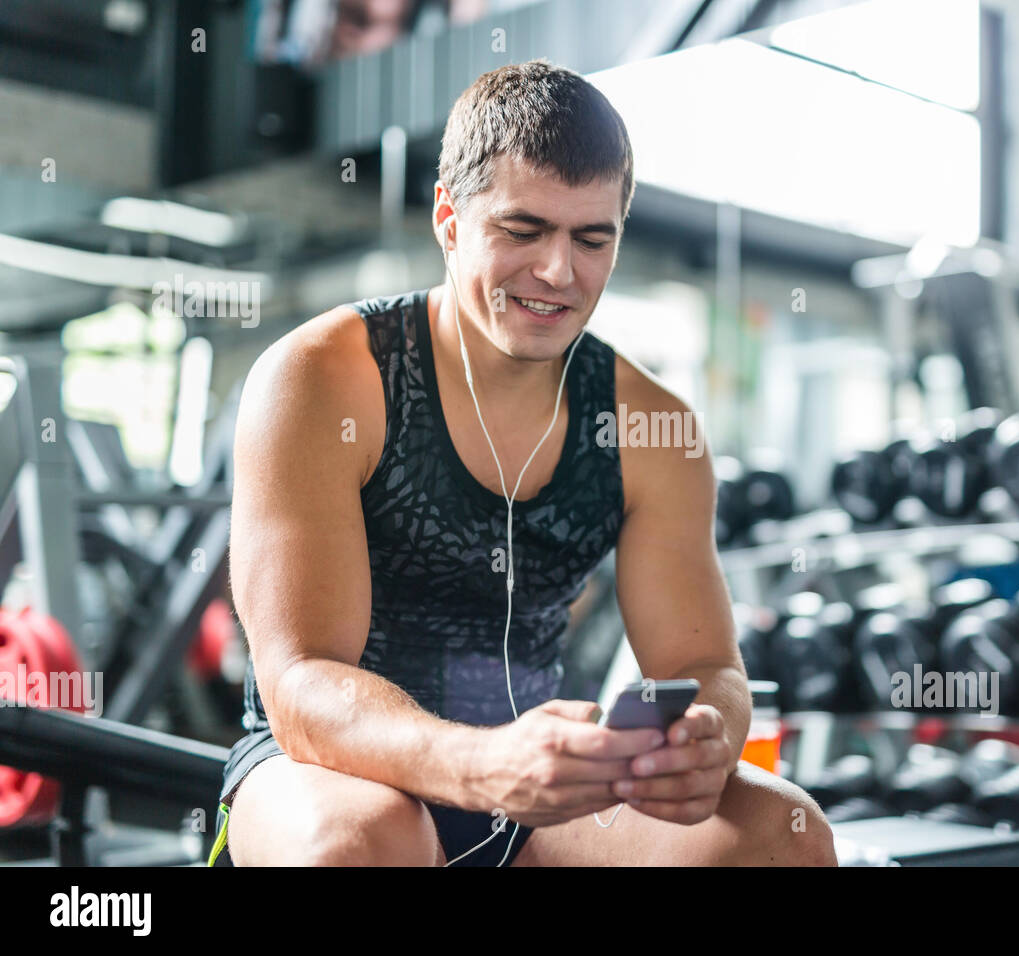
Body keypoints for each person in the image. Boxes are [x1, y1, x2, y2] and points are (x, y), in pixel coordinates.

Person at [211, 58, 837, 866]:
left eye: (591, 238)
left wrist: (705, 737)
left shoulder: (652, 427)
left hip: (537, 787)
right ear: (448, 219)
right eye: (522, 230)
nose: (557, 273)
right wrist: (478, 764)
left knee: (779, 833)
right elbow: (300, 686)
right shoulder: (324, 378)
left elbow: (705, 663)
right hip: (326, 774)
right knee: (356, 843)